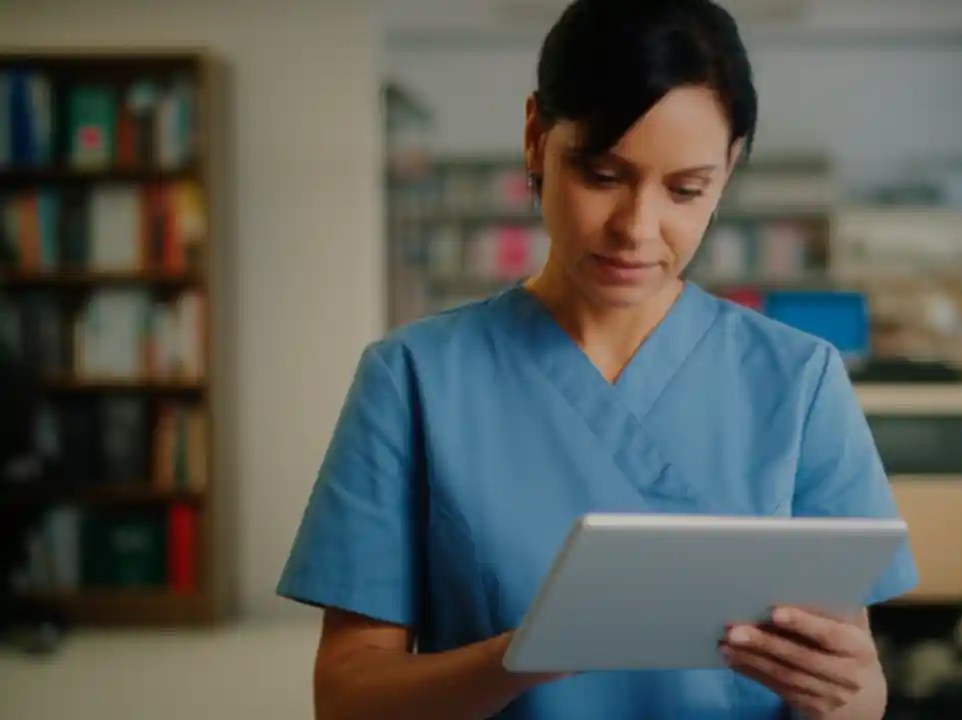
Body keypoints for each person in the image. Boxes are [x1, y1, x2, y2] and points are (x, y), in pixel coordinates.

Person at [277, 1, 918, 718]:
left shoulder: (800, 384)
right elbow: (346, 699)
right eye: (602, 175)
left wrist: (855, 694)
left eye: (686, 189)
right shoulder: (414, 381)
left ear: (729, 169)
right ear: (535, 138)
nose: (636, 230)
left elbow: (851, 691)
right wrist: (520, 656)